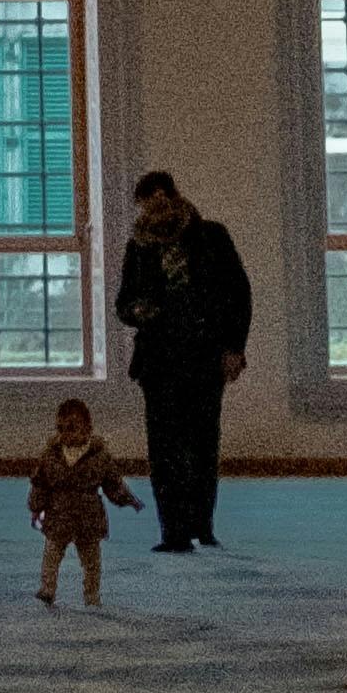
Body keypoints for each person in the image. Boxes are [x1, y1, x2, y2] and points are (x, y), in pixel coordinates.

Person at [113, 168, 254, 553]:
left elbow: (238, 295)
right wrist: (139, 310)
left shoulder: (212, 237)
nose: (155, 207)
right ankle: (173, 532)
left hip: (205, 358)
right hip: (158, 362)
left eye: (160, 198)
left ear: (173, 196)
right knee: (164, 450)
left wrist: (234, 349)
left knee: (202, 446)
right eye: (148, 201)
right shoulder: (139, 247)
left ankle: (202, 526)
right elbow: (123, 304)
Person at [25, 398, 142, 607]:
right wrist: (36, 507)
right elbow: (40, 483)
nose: (66, 434)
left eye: (72, 428)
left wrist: (128, 499)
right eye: (61, 428)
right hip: (58, 515)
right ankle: (47, 589)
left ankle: (91, 594)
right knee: (51, 554)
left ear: (87, 428)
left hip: (88, 517)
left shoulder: (99, 456)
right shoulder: (51, 455)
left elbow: (112, 483)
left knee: (91, 561)